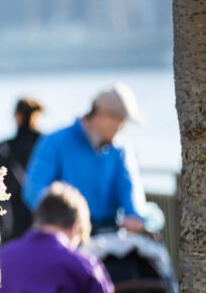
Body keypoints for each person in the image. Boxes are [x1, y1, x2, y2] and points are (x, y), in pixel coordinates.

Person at [23, 84, 147, 234]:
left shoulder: (120, 149)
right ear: (102, 115)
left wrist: (134, 216)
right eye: (121, 121)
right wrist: (56, 218)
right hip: (66, 233)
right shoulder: (56, 141)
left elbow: (129, 188)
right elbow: (33, 189)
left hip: (108, 234)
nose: (122, 128)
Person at [0, 98, 44, 242]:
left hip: (14, 218)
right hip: (43, 213)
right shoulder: (46, 145)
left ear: (18, 116)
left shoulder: (4, 148)